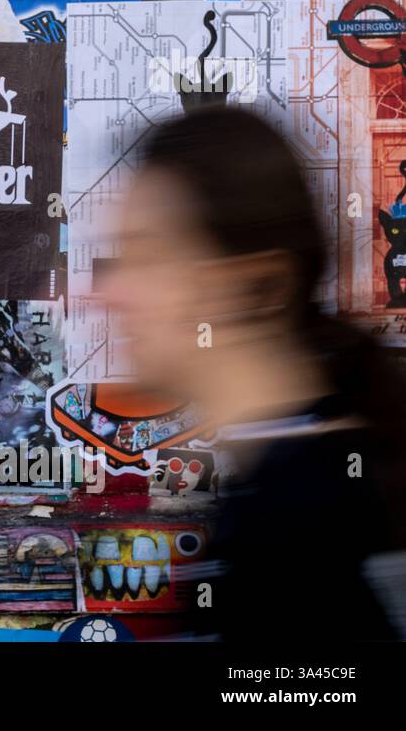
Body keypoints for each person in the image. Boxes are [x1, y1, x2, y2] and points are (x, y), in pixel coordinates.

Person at [101, 106, 406, 641]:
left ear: (257, 284)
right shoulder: (296, 481)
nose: (111, 293)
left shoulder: (305, 524)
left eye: (148, 257)